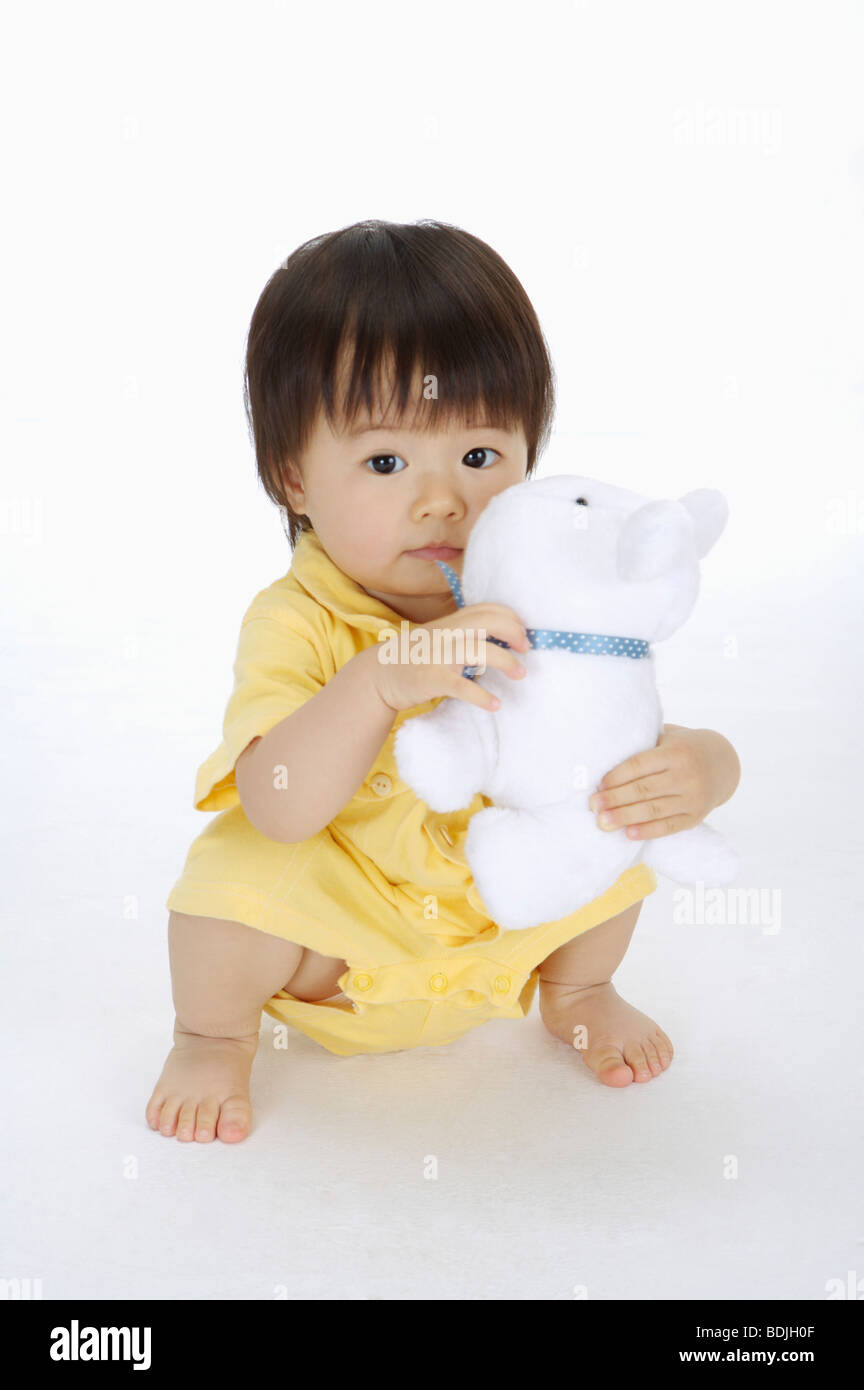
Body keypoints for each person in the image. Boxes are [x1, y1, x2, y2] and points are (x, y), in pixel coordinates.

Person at [146, 219, 741, 1144]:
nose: (444, 500)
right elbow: (275, 805)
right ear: (292, 476)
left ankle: (579, 988)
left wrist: (703, 769)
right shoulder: (297, 621)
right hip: (340, 947)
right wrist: (378, 683)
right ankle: (211, 1035)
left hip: (509, 917)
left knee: (616, 835)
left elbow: (626, 726)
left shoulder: (555, 600)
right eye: (386, 462)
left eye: (479, 456)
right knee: (227, 894)